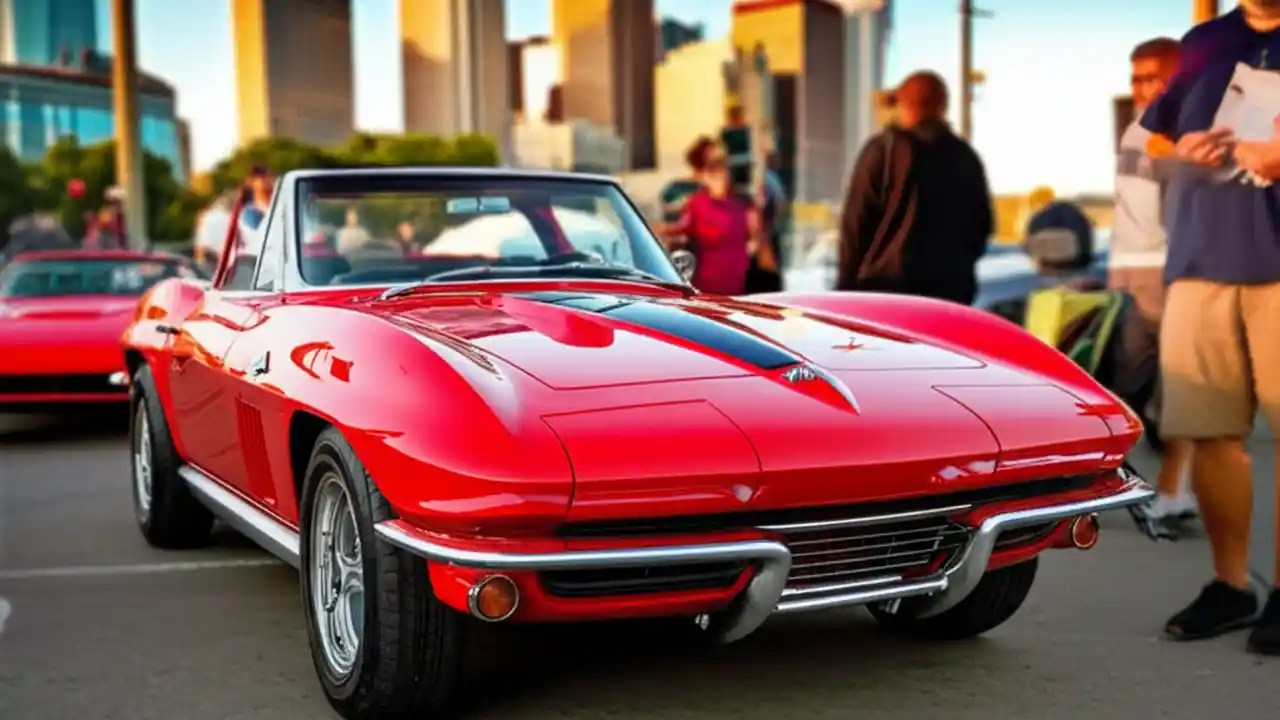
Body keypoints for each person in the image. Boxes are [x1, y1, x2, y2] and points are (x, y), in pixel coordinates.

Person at [1138, 1, 1280, 655]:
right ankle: (1231, 586)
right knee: (1211, 435)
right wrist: (1185, 151)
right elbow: (1156, 140)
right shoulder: (1202, 42)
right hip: (1200, 264)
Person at [1111, 37, 1198, 527]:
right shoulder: (1137, 129)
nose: (1143, 88)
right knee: (1132, 382)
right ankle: (1166, 485)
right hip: (1133, 270)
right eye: (1136, 77)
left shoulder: (1186, 129)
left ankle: (1175, 490)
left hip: (1172, 269)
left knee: (1178, 383)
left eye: (1153, 77)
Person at [836, 70, 994, 305]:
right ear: (943, 106)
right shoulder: (965, 158)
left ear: (903, 105)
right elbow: (983, 229)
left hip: (883, 298)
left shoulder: (882, 152)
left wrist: (844, 292)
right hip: (948, 301)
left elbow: (854, 227)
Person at [658, 137, 775, 295]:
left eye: (723, 164)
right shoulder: (692, 201)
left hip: (740, 288)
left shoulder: (743, 203)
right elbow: (679, 233)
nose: (721, 171)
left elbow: (760, 243)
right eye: (713, 165)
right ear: (702, 169)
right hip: (708, 288)